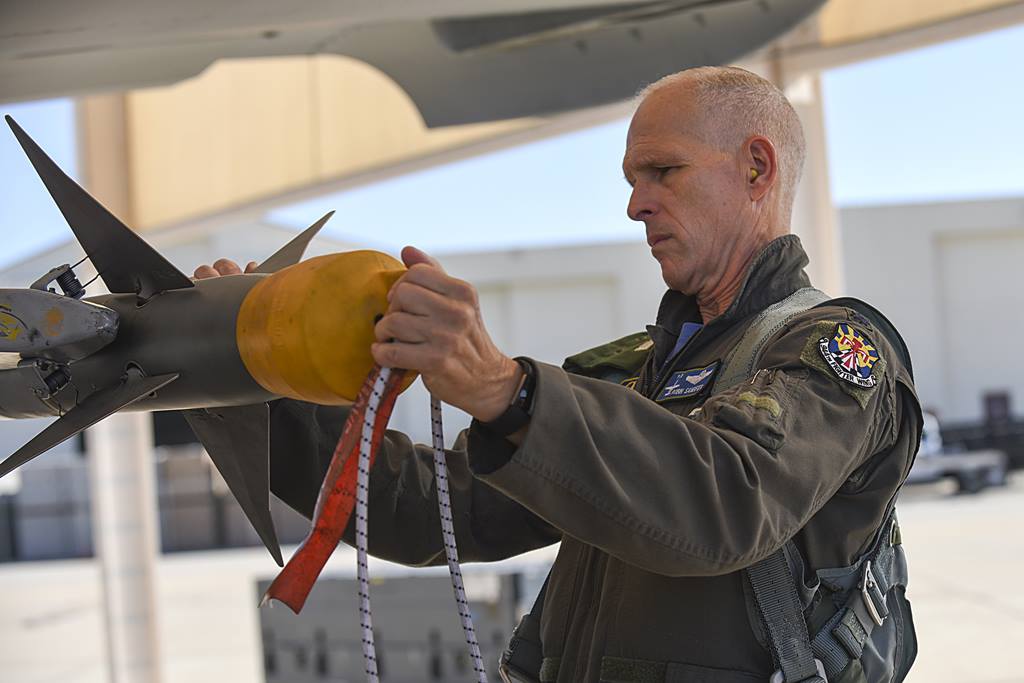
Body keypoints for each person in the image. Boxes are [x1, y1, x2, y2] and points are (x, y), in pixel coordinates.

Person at [196, 66, 921, 682]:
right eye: (634, 179)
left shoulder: (838, 351)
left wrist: (505, 392)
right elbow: (432, 510)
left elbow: (725, 502)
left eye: (662, 171)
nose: (636, 203)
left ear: (756, 166)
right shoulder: (637, 374)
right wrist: (264, 387)